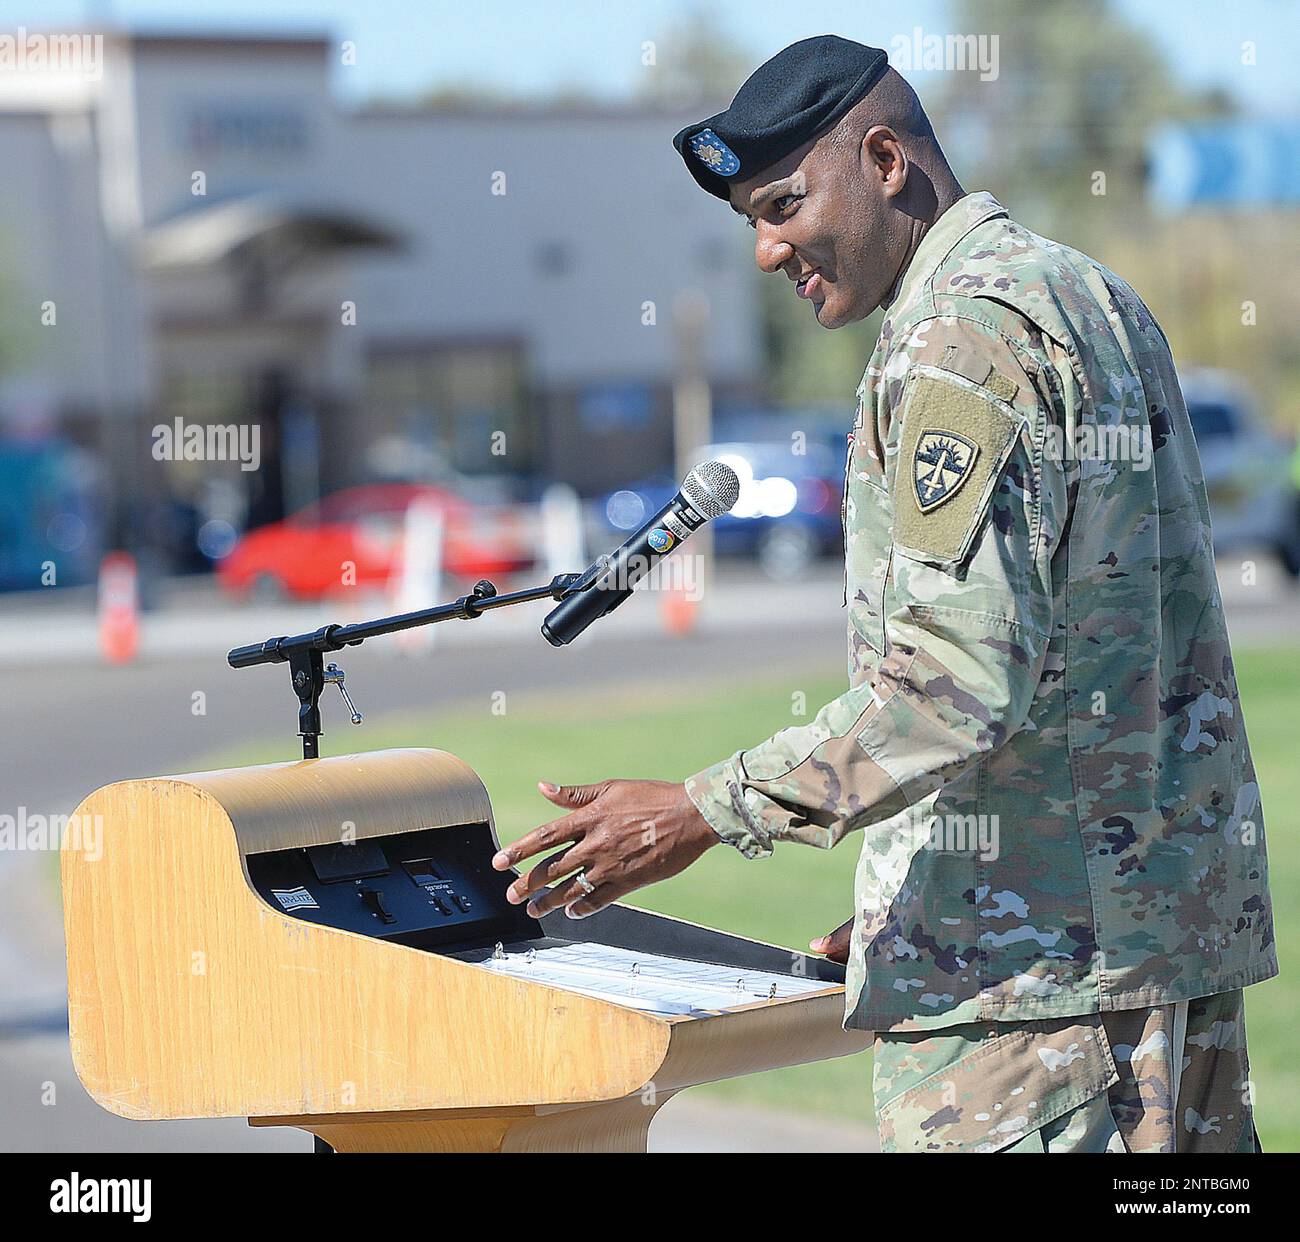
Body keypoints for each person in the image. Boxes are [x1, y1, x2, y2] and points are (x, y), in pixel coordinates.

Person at [492, 35, 1275, 1152]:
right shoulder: (1088, 294)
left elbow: (949, 689)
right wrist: (920, 892)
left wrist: (704, 809)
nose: (767, 251)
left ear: (884, 161)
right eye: (751, 223)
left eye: (783, 205)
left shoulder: (957, 339)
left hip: (1038, 1010)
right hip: (1155, 960)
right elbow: (1089, 653)